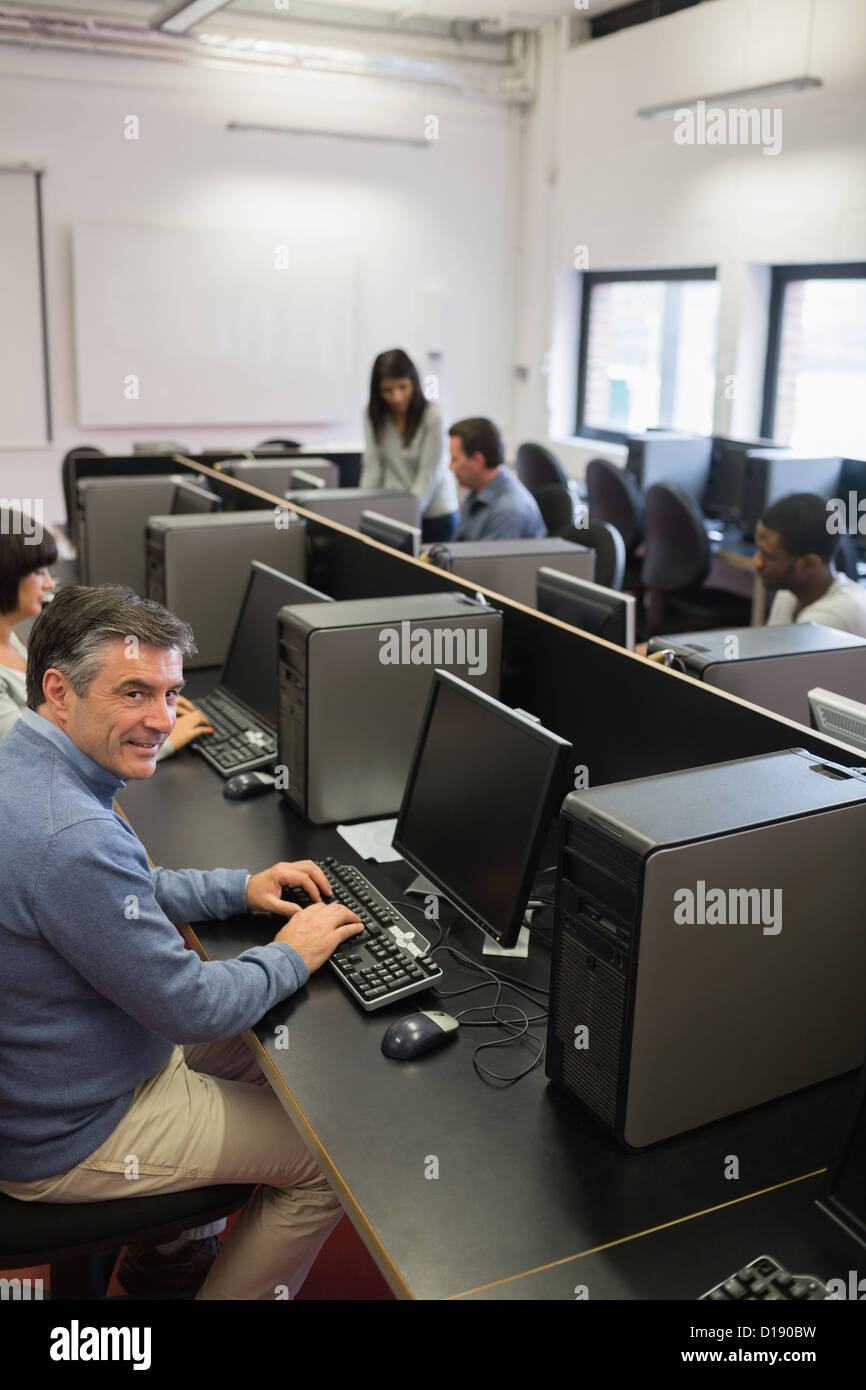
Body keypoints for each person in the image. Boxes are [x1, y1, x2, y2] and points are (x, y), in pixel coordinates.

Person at [0, 584, 363, 1300]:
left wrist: (240, 888)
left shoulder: (25, 763)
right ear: (58, 690)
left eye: (170, 694)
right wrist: (293, 950)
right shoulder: (69, 836)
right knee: (334, 1163)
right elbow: (192, 1007)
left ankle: (162, 1260)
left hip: (65, 1068)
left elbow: (119, 893)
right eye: (134, 693)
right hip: (69, 1129)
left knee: (280, 1063)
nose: (161, 720)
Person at [0, 511, 212, 752]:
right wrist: (162, 743)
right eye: (38, 573)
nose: (49, 583)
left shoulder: (9, 633)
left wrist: (147, 699)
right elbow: (27, 753)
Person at [361, 347, 458, 543]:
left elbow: (428, 474)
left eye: (402, 387)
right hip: (395, 512)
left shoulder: (432, 415)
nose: (396, 397)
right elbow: (373, 468)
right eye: (388, 390)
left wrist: (407, 514)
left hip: (434, 515)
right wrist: (364, 510)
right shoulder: (373, 414)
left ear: (414, 383)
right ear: (377, 390)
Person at [755, 492, 866, 638]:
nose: (756, 561)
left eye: (769, 556)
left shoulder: (830, 620)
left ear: (810, 564)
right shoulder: (789, 593)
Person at [449, 418, 547, 542]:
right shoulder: (477, 490)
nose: (450, 466)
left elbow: (489, 561)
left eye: (455, 459)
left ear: (478, 461)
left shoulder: (507, 512)